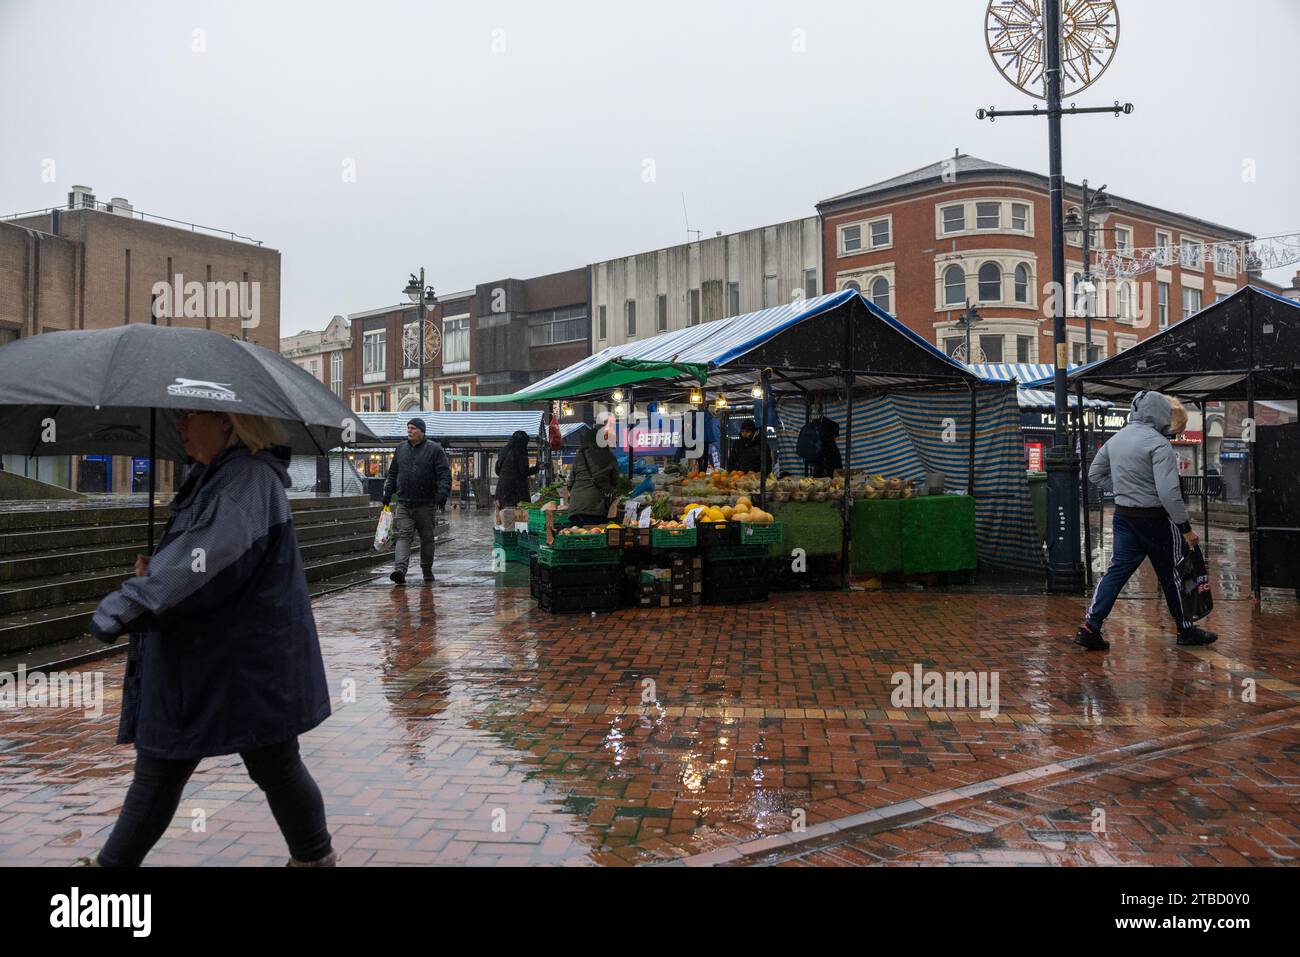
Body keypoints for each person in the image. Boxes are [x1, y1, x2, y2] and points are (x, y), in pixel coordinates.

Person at [84, 410, 334, 867]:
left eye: (189, 417)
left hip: (230, 661)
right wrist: (156, 568)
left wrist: (125, 606)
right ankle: (315, 858)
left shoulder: (245, 480)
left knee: (168, 765)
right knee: (268, 764)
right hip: (233, 659)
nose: (180, 427)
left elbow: (205, 559)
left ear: (226, 422)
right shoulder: (220, 475)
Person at [1077, 392, 1216, 650]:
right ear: (1161, 414)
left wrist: (1121, 490)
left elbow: (1095, 473)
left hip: (1124, 517)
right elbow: (1168, 493)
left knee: (1116, 573)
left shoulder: (1116, 440)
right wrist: (1185, 528)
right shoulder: (1159, 444)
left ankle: (1091, 626)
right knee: (1173, 573)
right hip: (1156, 520)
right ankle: (1185, 629)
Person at [382, 417, 451, 585]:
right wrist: (387, 491)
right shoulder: (401, 449)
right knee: (403, 536)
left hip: (426, 503)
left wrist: (442, 494)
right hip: (404, 502)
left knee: (427, 538)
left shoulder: (434, 450)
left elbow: (444, 474)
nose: (409, 431)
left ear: (421, 431)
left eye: (413, 428)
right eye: (408, 428)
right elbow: (393, 473)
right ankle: (400, 570)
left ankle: (426, 569)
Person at [567, 427, 619, 526]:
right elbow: (615, 482)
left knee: (578, 535)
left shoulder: (579, 455)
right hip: (596, 507)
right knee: (595, 536)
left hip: (575, 507)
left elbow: (570, 483)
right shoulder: (609, 456)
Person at [494, 429, 538, 510]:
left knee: (505, 516)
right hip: (516, 491)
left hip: (502, 490)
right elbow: (524, 472)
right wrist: (537, 468)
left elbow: (497, 471)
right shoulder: (521, 451)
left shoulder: (504, 450)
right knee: (519, 517)